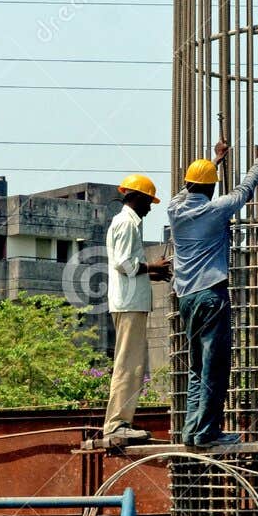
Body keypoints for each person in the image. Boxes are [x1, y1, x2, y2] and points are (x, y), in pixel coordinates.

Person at [168, 137, 258, 451]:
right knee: (215, 366)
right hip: (212, 296)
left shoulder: (175, 209)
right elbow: (245, 190)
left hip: (186, 298)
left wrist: (215, 161)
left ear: (187, 183)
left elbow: (191, 187)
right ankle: (207, 434)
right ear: (211, 188)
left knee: (197, 367)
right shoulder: (215, 209)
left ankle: (192, 431)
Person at [101, 174, 170, 450]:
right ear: (138, 197)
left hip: (130, 302)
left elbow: (128, 268)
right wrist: (152, 267)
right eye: (149, 202)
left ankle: (121, 421)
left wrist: (150, 274)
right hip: (129, 305)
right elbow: (125, 264)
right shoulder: (127, 223)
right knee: (128, 365)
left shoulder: (126, 223)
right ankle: (117, 424)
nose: (151, 208)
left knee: (133, 364)